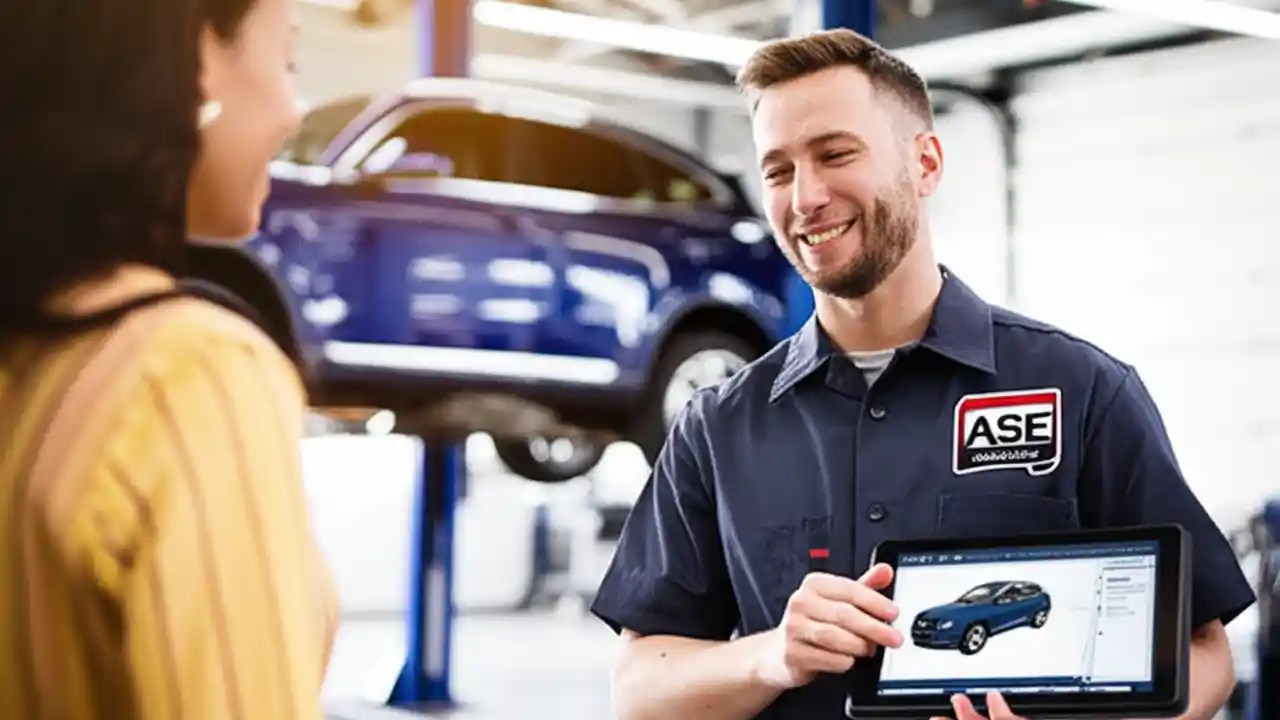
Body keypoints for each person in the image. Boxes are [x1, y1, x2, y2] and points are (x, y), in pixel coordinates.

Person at [590, 28, 1255, 720]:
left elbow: (1204, 649)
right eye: (778, 170)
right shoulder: (718, 427)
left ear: (927, 163)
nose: (806, 195)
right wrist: (773, 653)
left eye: (835, 154)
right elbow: (640, 688)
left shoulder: (1080, 390)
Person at [0, 0, 339, 718]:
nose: (292, 106)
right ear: (193, 60)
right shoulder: (186, 378)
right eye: (287, 58)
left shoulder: (29, 359)